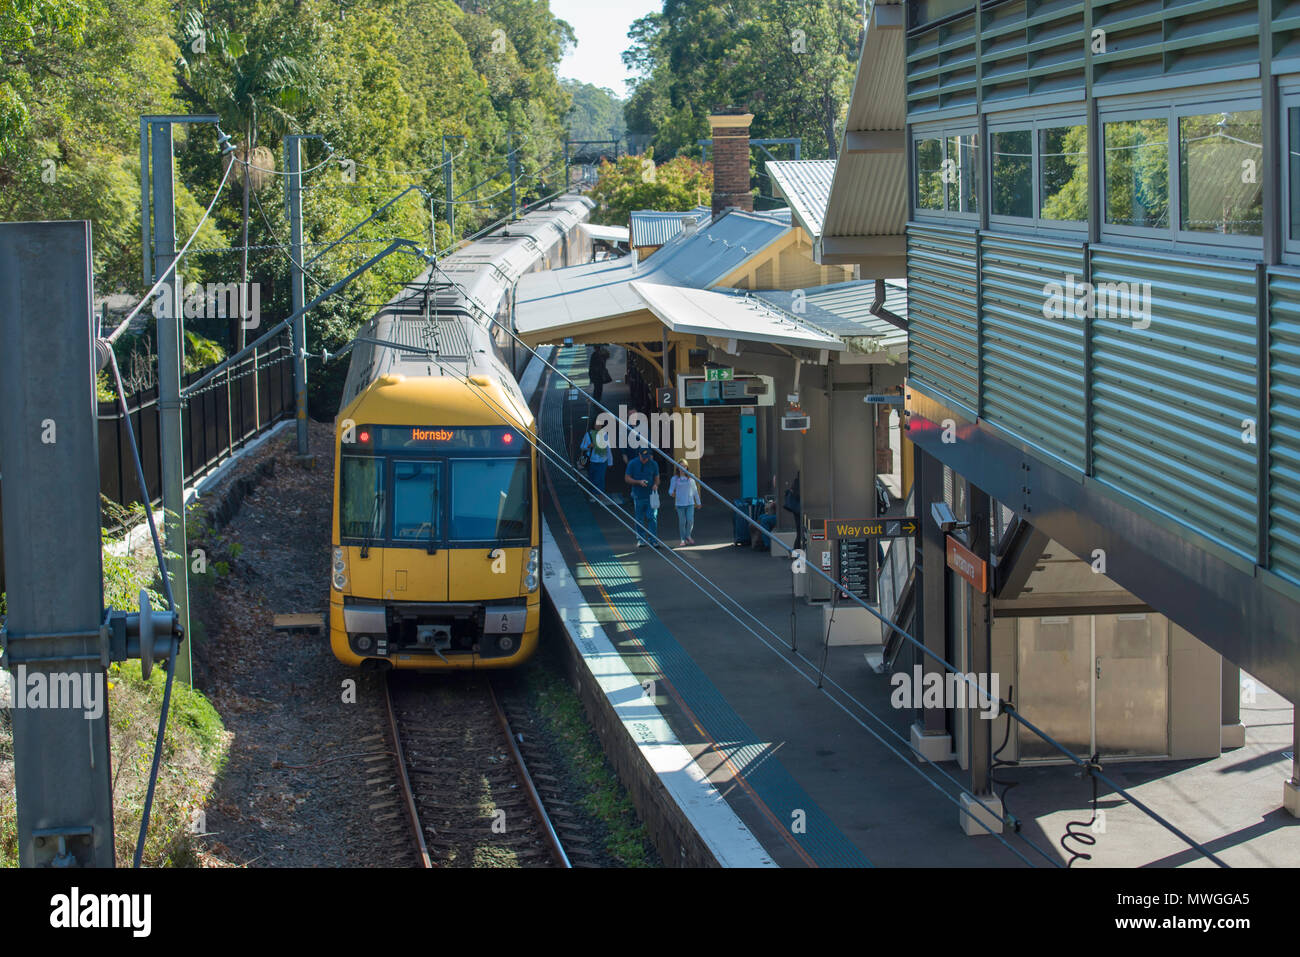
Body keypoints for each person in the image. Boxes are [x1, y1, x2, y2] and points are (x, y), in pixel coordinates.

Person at [623, 445, 660, 548]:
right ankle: (641, 539)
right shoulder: (632, 463)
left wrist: (655, 485)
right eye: (643, 458)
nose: (645, 460)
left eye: (647, 457)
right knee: (639, 518)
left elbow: (657, 478)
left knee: (652, 517)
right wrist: (639, 482)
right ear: (639, 455)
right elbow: (627, 478)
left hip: (650, 496)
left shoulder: (653, 464)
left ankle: (653, 539)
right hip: (638, 495)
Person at [667, 459, 702, 547]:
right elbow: (670, 490)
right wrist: (672, 493)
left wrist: (698, 502)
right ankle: (683, 539)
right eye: (680, 466)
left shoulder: (691, 477)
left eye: (684, 466)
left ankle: (688, 536)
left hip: (690, 503)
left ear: (687, 467)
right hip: (679, 504)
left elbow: (695, 491)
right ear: (677, 468)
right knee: (682, 522)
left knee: (690, 520)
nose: (682, 468)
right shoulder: (674, 478)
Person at [578, 426, 613, 501]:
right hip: (592, 460)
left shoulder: (604, 435)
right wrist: (589, 446)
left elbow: (608, 448)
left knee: (600, 478)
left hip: (602, 460)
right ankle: (592, 494)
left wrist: (610, 461)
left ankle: (600, 494)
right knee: (592, 477)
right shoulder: (588, 435)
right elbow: (582, 447)